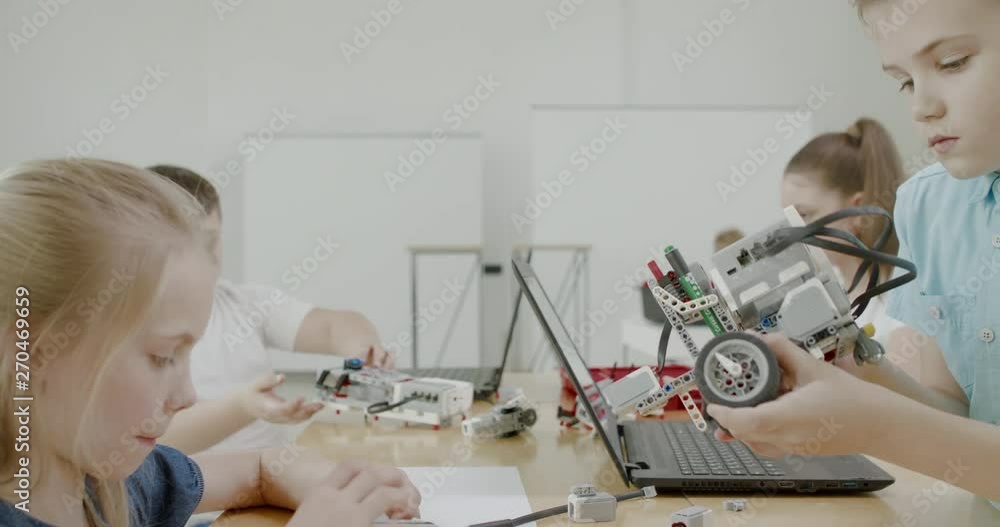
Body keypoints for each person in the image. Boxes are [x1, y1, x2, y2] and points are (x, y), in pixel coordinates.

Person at [0, 159, 420, 526]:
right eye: (163, 356)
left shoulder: (116, 483)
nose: (188, 395)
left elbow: (261, 468)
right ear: (35, 347)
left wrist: (334, 486)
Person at [709, 0, 1000, 506]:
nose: (921, 107)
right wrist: (850, 363)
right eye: (904, 82)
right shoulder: (929, 204)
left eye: (952, 63)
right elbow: (955, 416)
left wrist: (875, 427)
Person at [146, 164, 393, 456]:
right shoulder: (134, 328)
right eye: (191, 241)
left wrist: (363, 352)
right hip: (200, 481)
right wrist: (245, 407)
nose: (206, 253)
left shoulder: (245, 303)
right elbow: (158, 439)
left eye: (211, 239)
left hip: (273, 472)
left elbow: (333, 325)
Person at [781, 117, 914, 378]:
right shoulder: (821, 293)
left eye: (804, 214)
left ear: (857, 210)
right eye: (789, 218)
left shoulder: (902, 300)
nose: (793, 231)